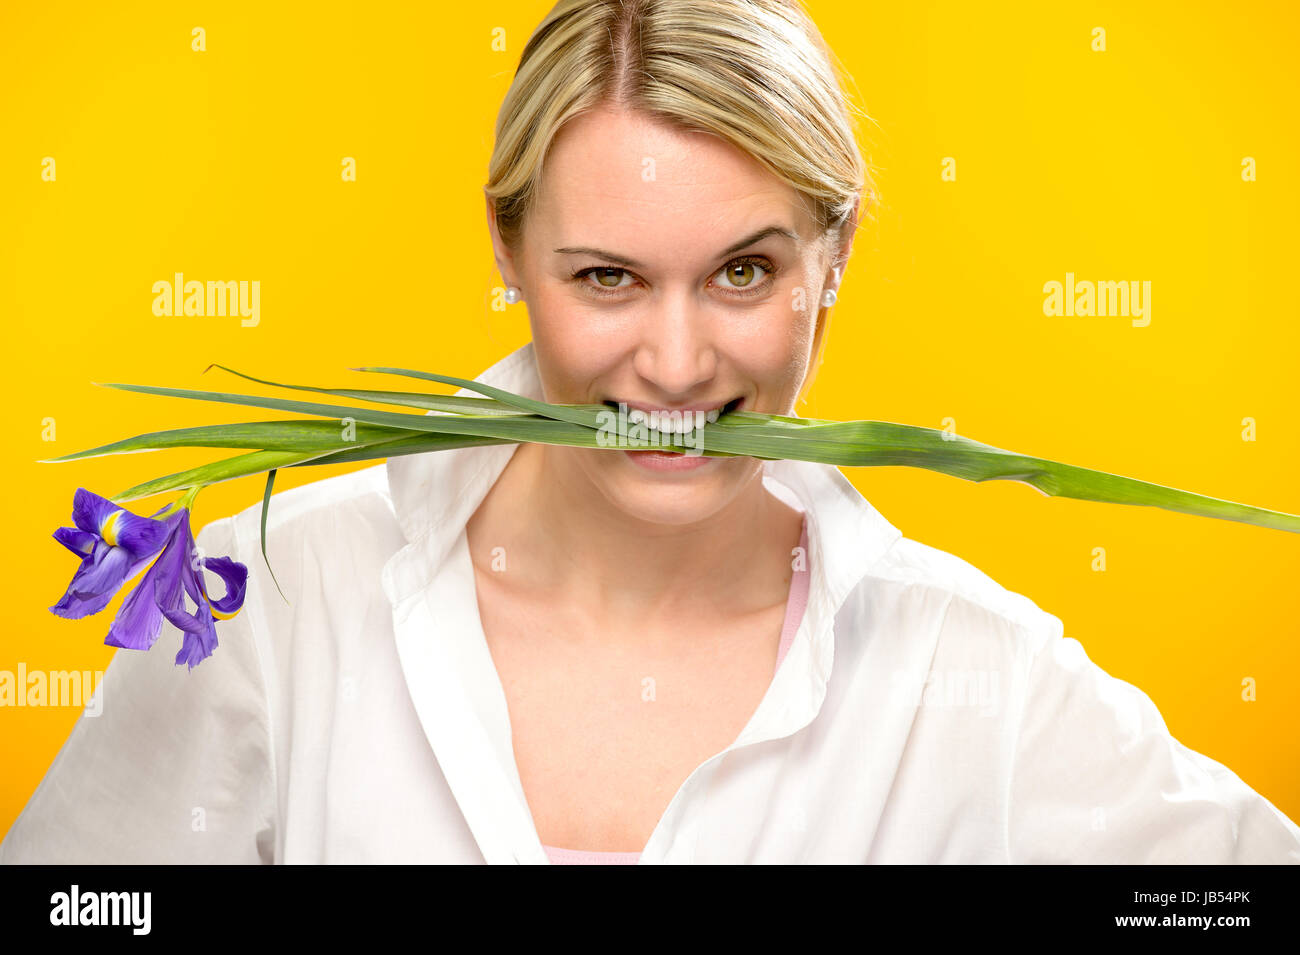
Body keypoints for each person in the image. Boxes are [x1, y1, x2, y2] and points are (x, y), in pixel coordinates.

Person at [4, 0, 1298, 865]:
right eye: (607, 278)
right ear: (508, 248)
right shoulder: (266, 604)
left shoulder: (970, 674)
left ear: (834, 256)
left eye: (743, 273)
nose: (676, 367)